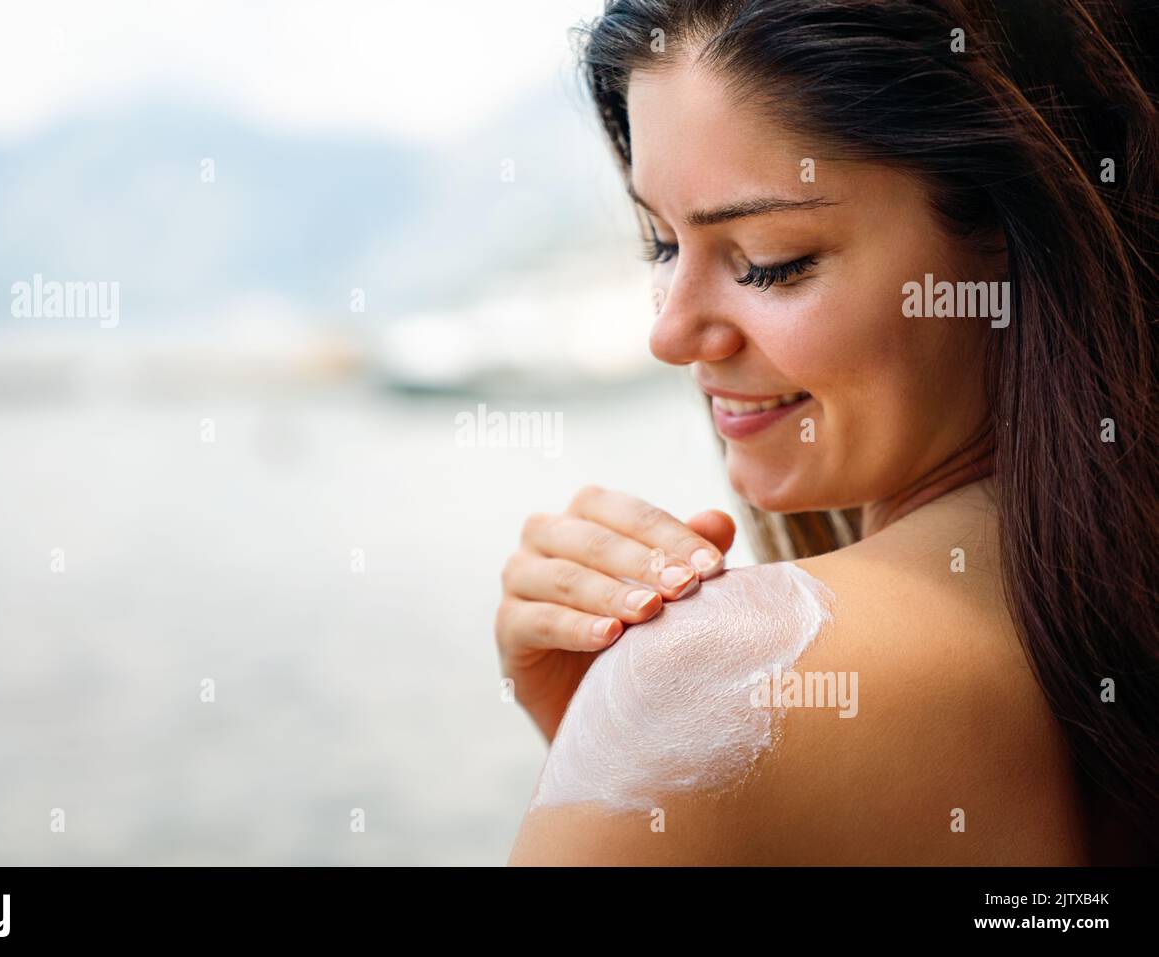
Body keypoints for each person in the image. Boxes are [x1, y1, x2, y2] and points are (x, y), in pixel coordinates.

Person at [496, 0, 1158, 865]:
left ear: (1012, 233)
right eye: (660, 244)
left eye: (770, 260)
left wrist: (637, 742)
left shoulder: (723, 680)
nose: (669, 332)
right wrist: (602, 754)